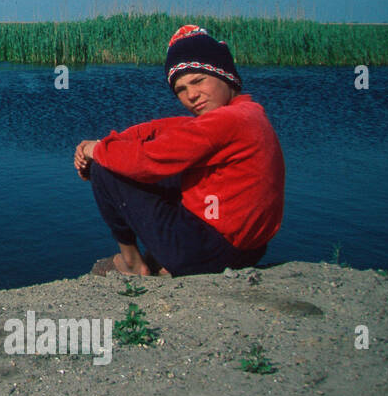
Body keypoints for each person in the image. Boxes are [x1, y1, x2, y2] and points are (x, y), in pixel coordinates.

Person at [73, 25, 285, 277]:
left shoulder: (229, 121)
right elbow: (160, 129)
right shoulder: (249, 115)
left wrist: (97, 151)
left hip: (207, 248)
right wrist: (107, 141)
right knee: (136, 158)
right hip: (246, 249)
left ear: (226, 76)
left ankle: (133, 263)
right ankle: (162, 261)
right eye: (181, 90)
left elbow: (147, 159)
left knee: (108, 167)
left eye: (198, 81)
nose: (192, 95)